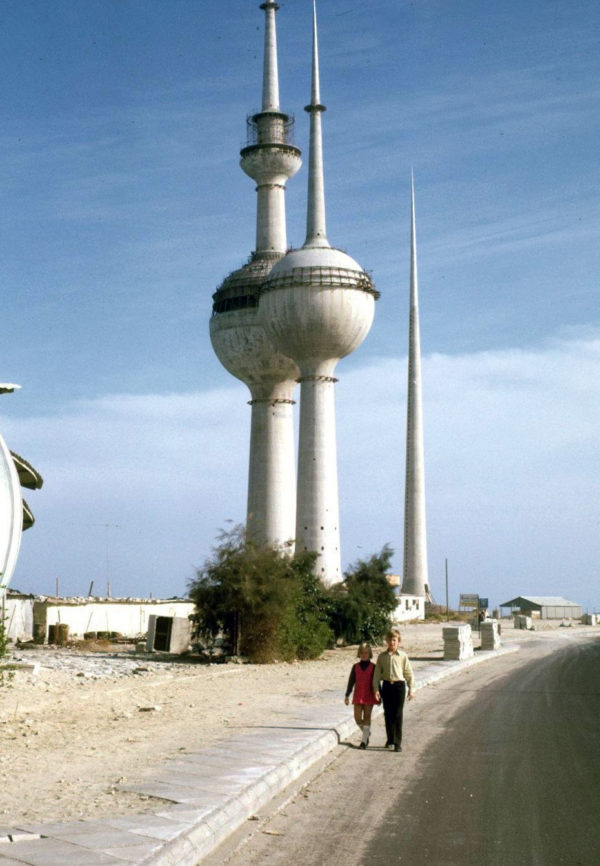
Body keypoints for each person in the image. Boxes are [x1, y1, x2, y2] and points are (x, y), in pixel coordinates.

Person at [372, 628, 415, 753]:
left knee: (398, 714)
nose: (392, 642)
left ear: (399, 642)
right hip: (387, 686)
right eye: (390, 640)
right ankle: (390, 739)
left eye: (394, 640)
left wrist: (411, 689)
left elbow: (409, 673)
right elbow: (376, 675)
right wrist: (376, 689)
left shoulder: (403, 656)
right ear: (386, 641)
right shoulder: (382, 657)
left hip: (399, 687)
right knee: (388, 714)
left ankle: (397, 742)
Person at [344, 643, 379, 749]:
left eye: (366, 653)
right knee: (357, 717)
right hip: (358, 695)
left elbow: (377, 682)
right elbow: (351, 682)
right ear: (359, 654)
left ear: (370, 654)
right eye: (362, 653)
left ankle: (364, 741)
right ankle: (366, 732)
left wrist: (378, 694)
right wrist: (347, 695)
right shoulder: (355, 667)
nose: (364, 655)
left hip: (369, 695)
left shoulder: (373, 667)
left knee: (367, 717)